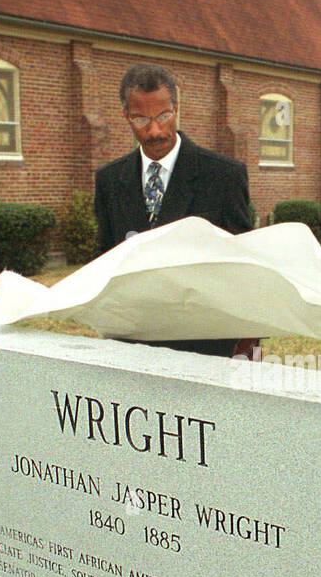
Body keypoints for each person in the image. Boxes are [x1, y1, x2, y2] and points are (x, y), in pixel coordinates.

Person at [93, 63, 258, 359]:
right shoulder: (109, 180)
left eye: (164, 116)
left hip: (204, 347)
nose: (155, 131)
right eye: (141, 119)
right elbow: (103, 262)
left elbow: (240, 265)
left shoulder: (223, 176)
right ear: (126, 116)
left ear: (176, 108)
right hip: (133, 345)